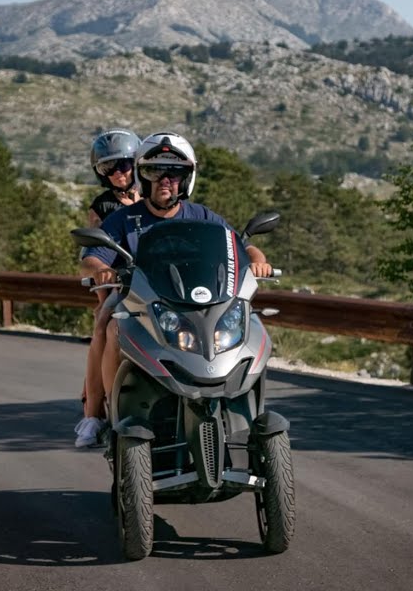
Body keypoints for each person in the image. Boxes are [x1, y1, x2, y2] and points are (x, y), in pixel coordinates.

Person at [74, 131, 272, 448]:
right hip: (139, 301)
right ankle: (107, 416)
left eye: (175, 173)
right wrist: (103, 269)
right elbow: (91, 259)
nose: (165, 180)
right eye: (156, 172)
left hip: (196, 305)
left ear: (186, 179)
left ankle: (242, 412)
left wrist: (259, 261)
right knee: (109, 328)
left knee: (247, 327)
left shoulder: (203, 216)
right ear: (144, 177)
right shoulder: (124, 219)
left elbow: (241, 246)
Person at [75, 129, 142, 447]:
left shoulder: (157, 196)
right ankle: (93, 416)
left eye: (124, 165)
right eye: (109, 168)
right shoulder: (102, 207)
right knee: (103, 324)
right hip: (122, 283)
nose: (119, 173)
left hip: (160, 284)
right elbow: (91, 254)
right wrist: (104, 281)